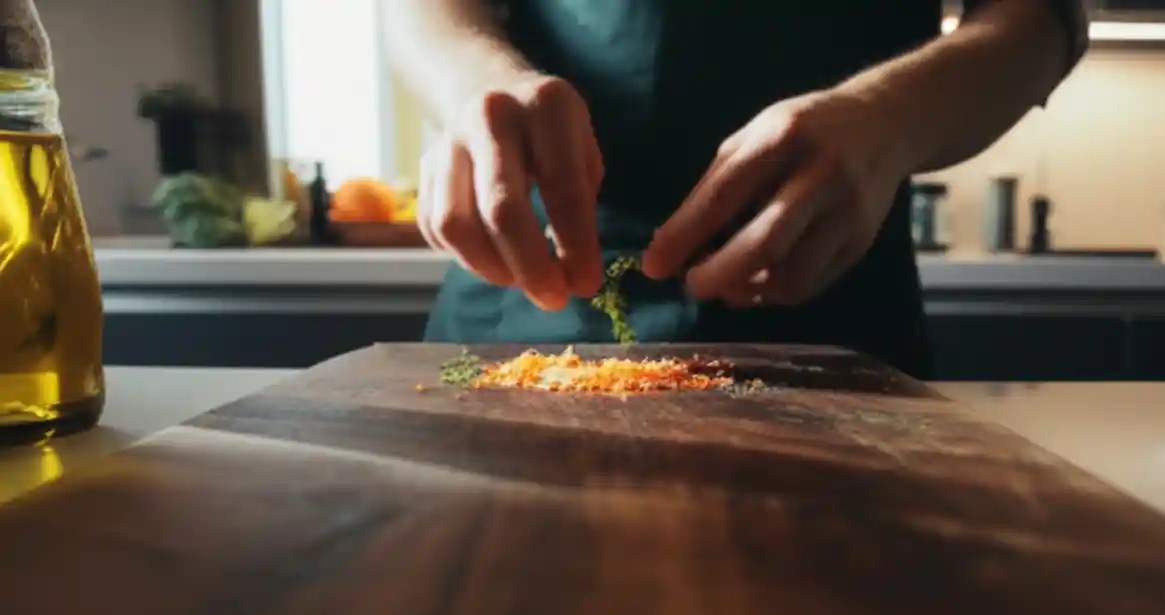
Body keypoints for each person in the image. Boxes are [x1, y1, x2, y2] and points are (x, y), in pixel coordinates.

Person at [383, 0, 1088, 378]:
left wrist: (890, 116)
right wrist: (471, 83)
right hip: (517, 306)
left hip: (832, 315)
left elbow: (1040, 18)